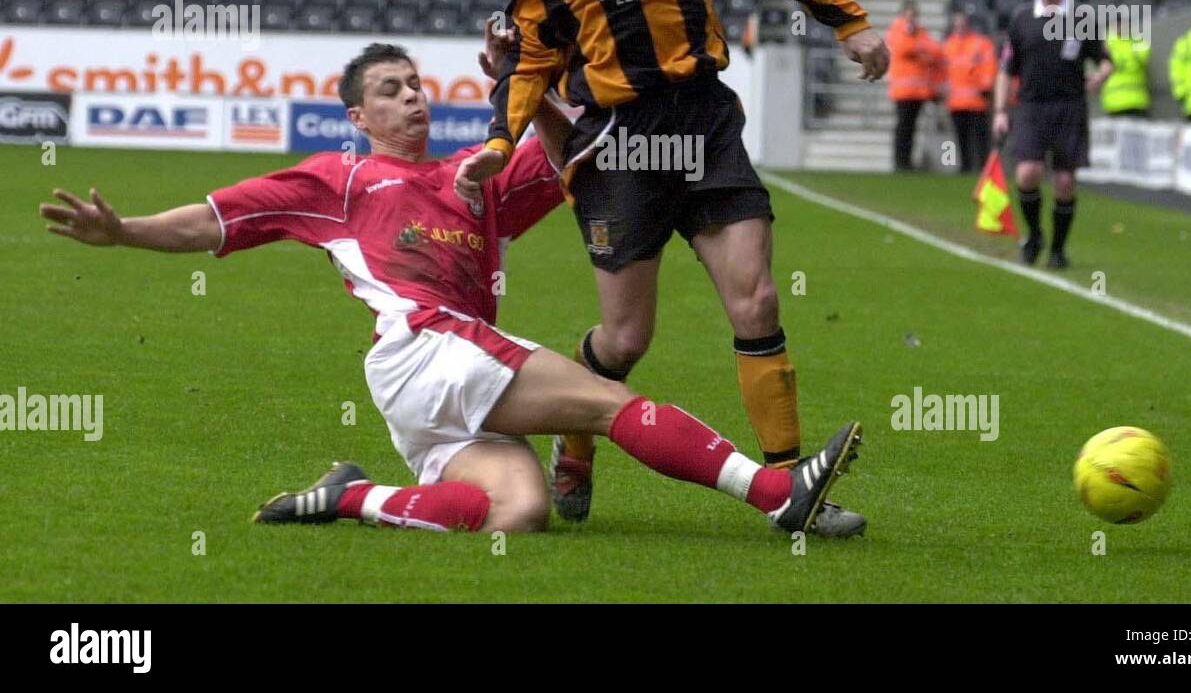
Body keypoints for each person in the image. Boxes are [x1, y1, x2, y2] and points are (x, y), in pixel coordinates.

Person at [38, 39, 863, 537]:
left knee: (518, 513)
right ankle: (776, 493)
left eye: (417, 85)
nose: (413, 99)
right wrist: (124, 231)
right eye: (391, 91)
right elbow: (216, 221)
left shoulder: (479, 176)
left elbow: (578, 142)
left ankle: (352, 497)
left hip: (431, 386)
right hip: (425, 349)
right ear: (357, 118)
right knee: (606, 404)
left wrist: (530, 73)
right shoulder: (338, 180)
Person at [454, 0, 887, 534]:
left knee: (756, 300)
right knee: (625, 340)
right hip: (621, 141)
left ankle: (792, 491)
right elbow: (527, 58)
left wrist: (845, 20)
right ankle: (577, 440)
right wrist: (501, 142)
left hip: (704, 119)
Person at [991, 0, 1113, 270]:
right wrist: (1001, 111)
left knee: (1064, 181)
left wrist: (1100, 76)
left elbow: (1105, 59)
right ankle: (1034, 235)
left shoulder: (1081, 16)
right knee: (1027, 174)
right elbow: (1005, 69)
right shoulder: (1020, 19)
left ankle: (1058, 249)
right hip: (1030, 107)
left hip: (1069, 107)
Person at [885, 0, 942, 171]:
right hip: (903, 90)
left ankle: (908, 161)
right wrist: (919, 49)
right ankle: (900, 162)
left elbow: (935, 52)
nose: (912, 18)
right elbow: (903, 49)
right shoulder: (896, 30)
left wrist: (919, 49)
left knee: (912, 128)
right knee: (903, 127)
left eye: (914, 15)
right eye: (909, 14)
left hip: (919, 91)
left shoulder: (920, 32)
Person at [942, 11, 997, 171]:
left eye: (962, 24)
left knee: (981, 138)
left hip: (977, 100)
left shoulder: (981, 43)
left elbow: (989, 66)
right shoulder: (947, 45)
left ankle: (984, 168)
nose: (959, 27)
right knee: (961, 138)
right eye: (956, 24)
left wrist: (986, 87)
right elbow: (942, 71)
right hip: (955, 102)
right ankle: (964, 168)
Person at [1099, 16, 1151, 117]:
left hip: (1137, 101)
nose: (1120, 27)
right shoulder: (1104, 43)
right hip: (1113, 102)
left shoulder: (1138, 41)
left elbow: (1142, 58)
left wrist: (1118, 59)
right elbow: (1107, 62)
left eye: (1123, 23)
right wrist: (1129, 58)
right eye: (1117, 24)